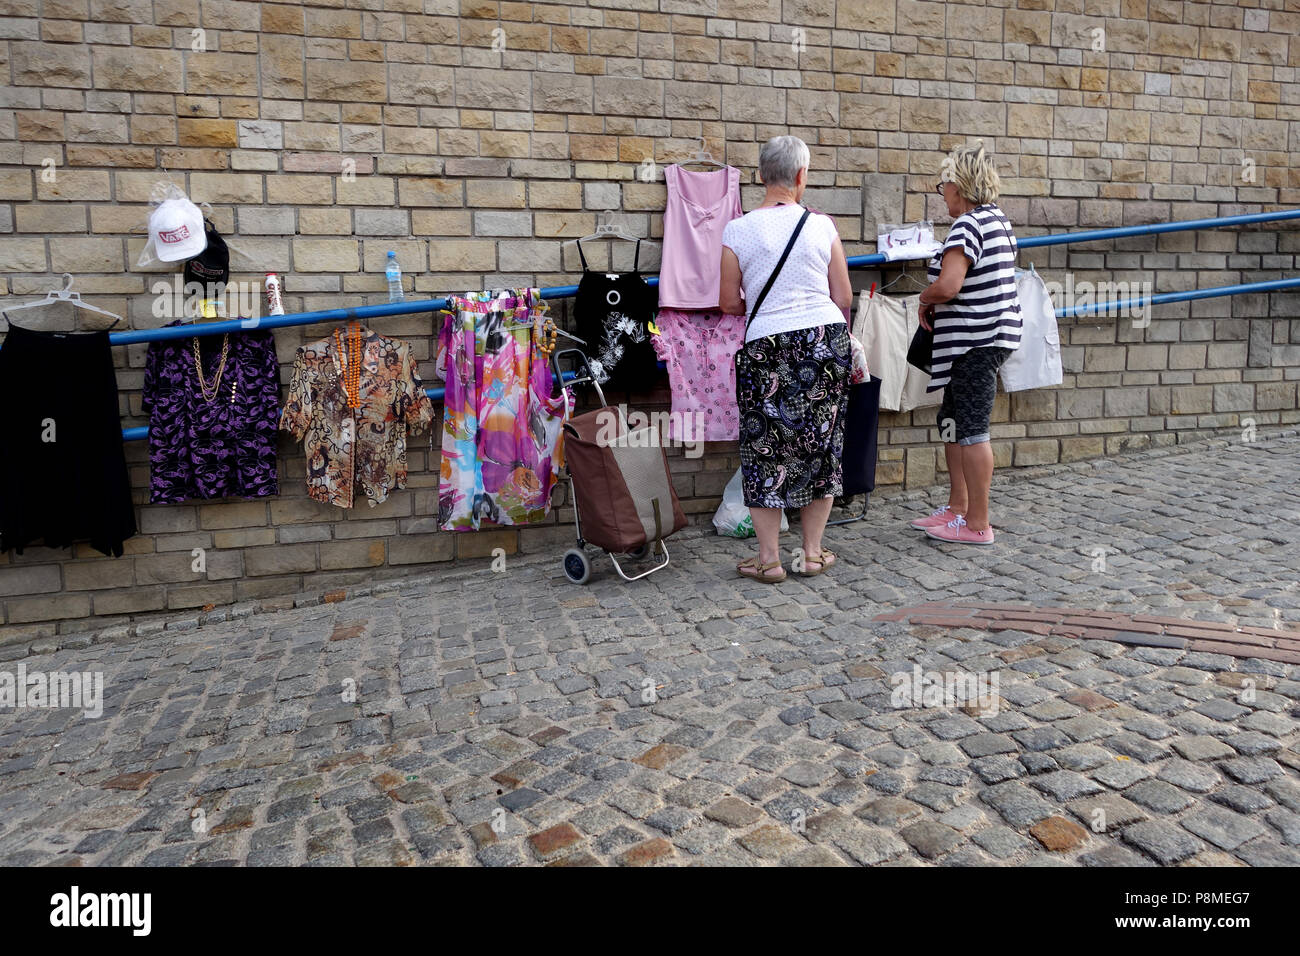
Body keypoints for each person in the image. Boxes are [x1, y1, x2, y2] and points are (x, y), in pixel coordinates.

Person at [719, 135, 854, 582]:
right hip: (823, 340)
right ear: (801, 177)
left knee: (764, 449)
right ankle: (812, 553)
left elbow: (727, 302)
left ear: (760, 176)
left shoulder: (738, 229)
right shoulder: (821, 226)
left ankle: (770, 558)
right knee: (821, 444)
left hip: (767, 346)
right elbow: (843, 295)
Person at [914, 142, 1021, 545]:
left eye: (943, 186)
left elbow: (949, 284)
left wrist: (924, 300)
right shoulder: (996, 220)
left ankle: (977, 523)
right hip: (983, 337)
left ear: (958, 186)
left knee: (972, 429)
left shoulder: (968, 226)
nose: (942, 194)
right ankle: (957, 507)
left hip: (975, 340)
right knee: (952, 421)